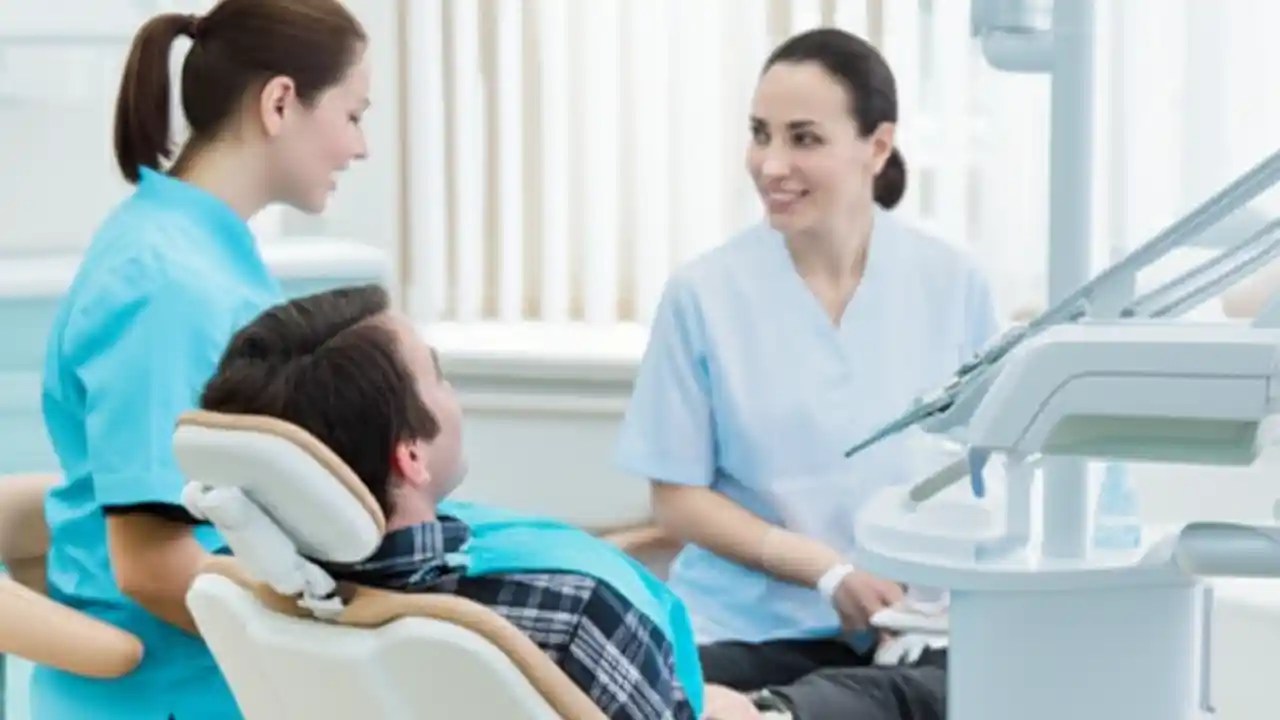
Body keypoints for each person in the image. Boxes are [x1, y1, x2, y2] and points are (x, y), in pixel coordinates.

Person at [614, 28, 1002, 720]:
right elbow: (676, 498)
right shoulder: (705, 294)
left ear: (877, 146)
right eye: (760, 134)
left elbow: (984, 475)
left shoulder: (953, 285)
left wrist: (925, 597)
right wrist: (826, 572)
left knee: (984, 685)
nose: (771, 164)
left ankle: (784, 713)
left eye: (804, 139)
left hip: (908, 636)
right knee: (664, 695)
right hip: (747, 630)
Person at [36, 1, 370, 717]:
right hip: (164, 691)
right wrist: (343, 650)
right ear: (279, 102)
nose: (359, 147)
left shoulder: (198, 249)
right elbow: (152, 565)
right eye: (352, 115)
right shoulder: (166, 281)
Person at [196, 284, 716, 720]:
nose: (452, 392)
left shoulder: (258, 593)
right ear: (411, 455)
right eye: (438, 375)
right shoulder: (575, 610)